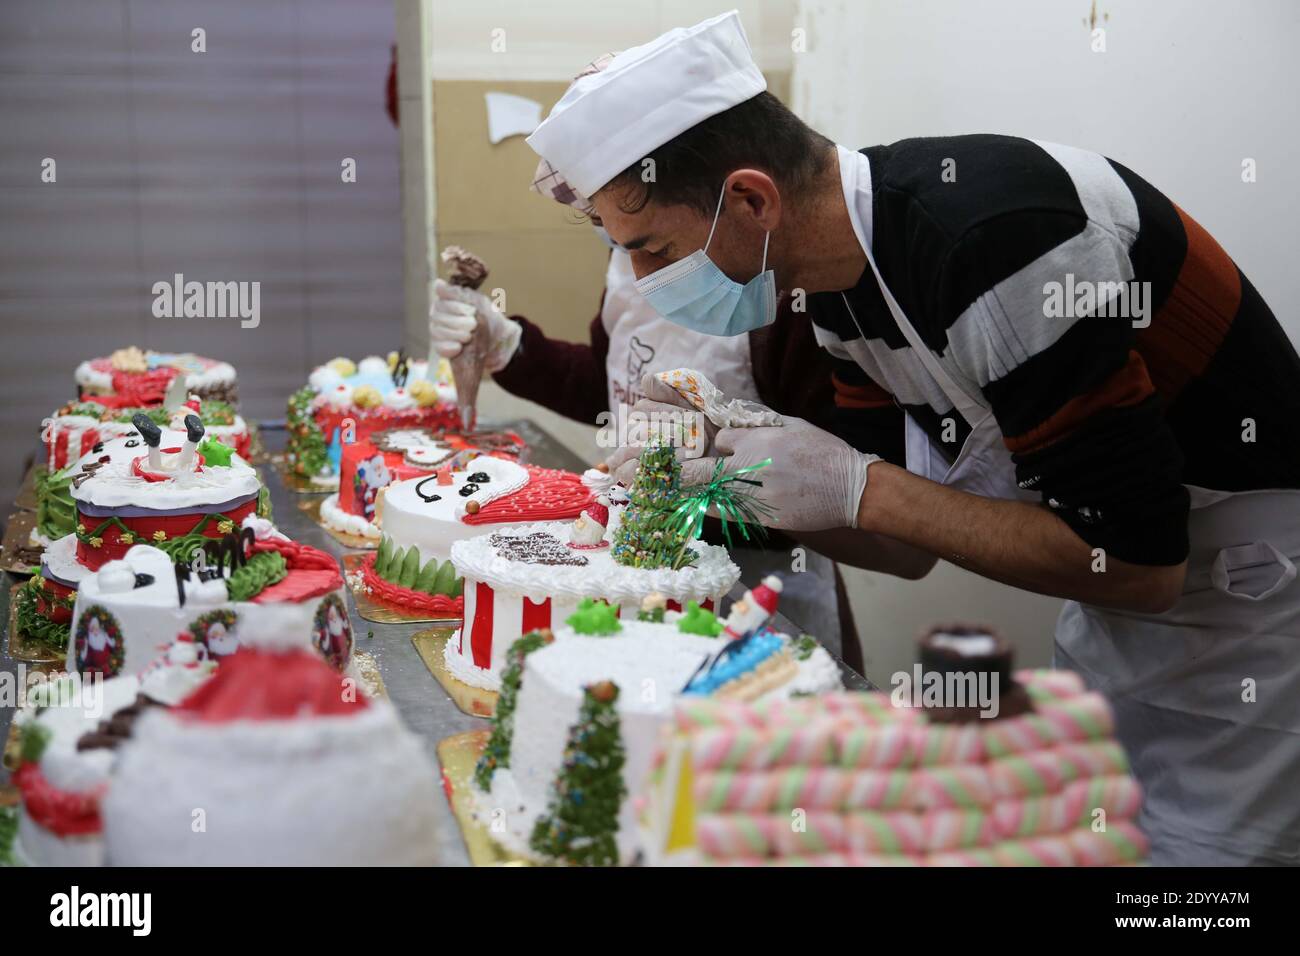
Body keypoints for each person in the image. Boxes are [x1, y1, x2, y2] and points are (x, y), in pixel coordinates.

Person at [524, 11, 1300, 865]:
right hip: (1118, 627)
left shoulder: (998, 244)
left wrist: (859, 483)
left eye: (655, 249)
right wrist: (732, 479)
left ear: (751, 198)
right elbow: (905, 550)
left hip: (1253, 610)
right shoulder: (835, 290)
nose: (645, 281)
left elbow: (1141, 566)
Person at [426, 56, 879, 665]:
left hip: (759, 582)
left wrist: (727, 472)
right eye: (617, 238)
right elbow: (617, 385)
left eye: (654, 246)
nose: (641, 268)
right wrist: (512, 347)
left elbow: (844, 490)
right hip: (630, 572)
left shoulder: (782, 293)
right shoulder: (631, 260)